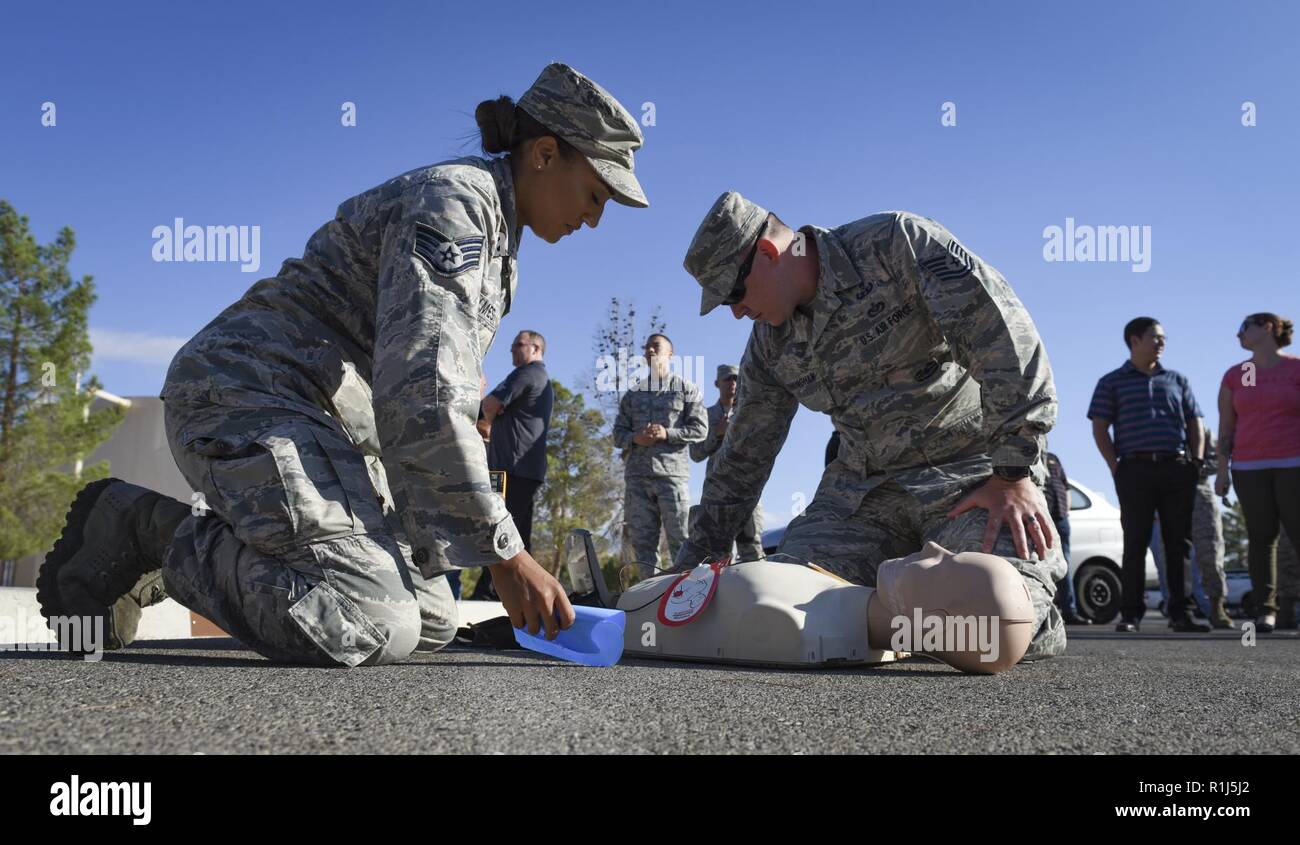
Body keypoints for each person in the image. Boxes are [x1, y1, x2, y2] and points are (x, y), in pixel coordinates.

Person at [37, 63, 649, 663]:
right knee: (367, 615)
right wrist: (508, 557)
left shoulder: (496, 231)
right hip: (245, 392)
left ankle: (225, 548)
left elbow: (424, 399)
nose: (594, 217)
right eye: (595, 194)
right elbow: (423, 396)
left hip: (319, 418)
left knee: (431, 616)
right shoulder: (456, 206)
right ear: (544, 154)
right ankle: (141, 528)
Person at [678, 192, 1067, 662]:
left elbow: (1004, 336)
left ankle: (894, 616)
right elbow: (743, 456)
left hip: (972, 477)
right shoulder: (769, 345)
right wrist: (692, 569)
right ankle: (903, 616)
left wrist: (1014, 471)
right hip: (862, 496)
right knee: (779, 592)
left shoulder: (894, 244)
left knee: (995, 617)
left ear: (767, 254)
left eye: (734, 295)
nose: (736, 312)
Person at [1089, 317, 1208, 633]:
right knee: (1135, 541)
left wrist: (1195, 461)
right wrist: (1116, 466)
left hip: (1176, 468)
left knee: (1178, 543)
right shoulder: (1111, 381)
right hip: (1134, 470)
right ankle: (1130, 614)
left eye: (1163, 337)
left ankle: (1181, 613)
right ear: (1134, 340)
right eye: (1155, 337)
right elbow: (1100, 426)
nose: (1161, 342)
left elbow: (1195, 421)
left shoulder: (1177, 380)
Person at [1215, 312, 1300, 633]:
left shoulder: (1295, 368)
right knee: (1262, 539)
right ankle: (1266, 611)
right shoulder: (1239, 374)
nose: (1238, 334)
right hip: (1249, 467)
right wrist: (1222, 472)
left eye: (1244, 328)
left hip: (1293, 464)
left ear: (1267, 328)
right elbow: (1227, 426)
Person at [469, 330, 555, 600]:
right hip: (509, 469)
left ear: (536, 348)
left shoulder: (528, 373)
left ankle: (503, 594)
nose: (512, 350)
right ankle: (492, 591)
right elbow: (492, 411)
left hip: (514, 470)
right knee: (501, 526)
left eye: (519, 345)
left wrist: (489, 411)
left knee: (503, 528)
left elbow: (487, 406)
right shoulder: (532, 376)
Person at [613, 334, 708, 569]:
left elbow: (701, 429)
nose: (650, 351)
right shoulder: (633, 395)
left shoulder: (687, 390)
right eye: (647, 348)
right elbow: (617, 434)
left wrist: (668, 434)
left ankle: (686, 596)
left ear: (670, 354)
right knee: (642, 544)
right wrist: (636, 438)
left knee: (681, 539)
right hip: (638, 478)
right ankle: (650, 599)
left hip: (671, 477)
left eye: (656, 346)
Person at [689, 364, 763, 562]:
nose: (733, 383)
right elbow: (695, 454)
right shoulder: (705, 416)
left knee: (752, 547)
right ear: (716, 383)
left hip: (747, 488)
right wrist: (716, 434)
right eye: (728, 379)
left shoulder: (751, 411)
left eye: (737, 378)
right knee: (715, 553)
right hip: (716, 492)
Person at [1044, 452, 1089, 625]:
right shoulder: (1030, 452)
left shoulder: (1053, 457)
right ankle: (1044, 616)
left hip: (1061, 519)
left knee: (1064, 565)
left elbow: (1065, 485)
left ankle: (1070, 612)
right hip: (1041, 519)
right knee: (1042, 565)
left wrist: (1066, 510)